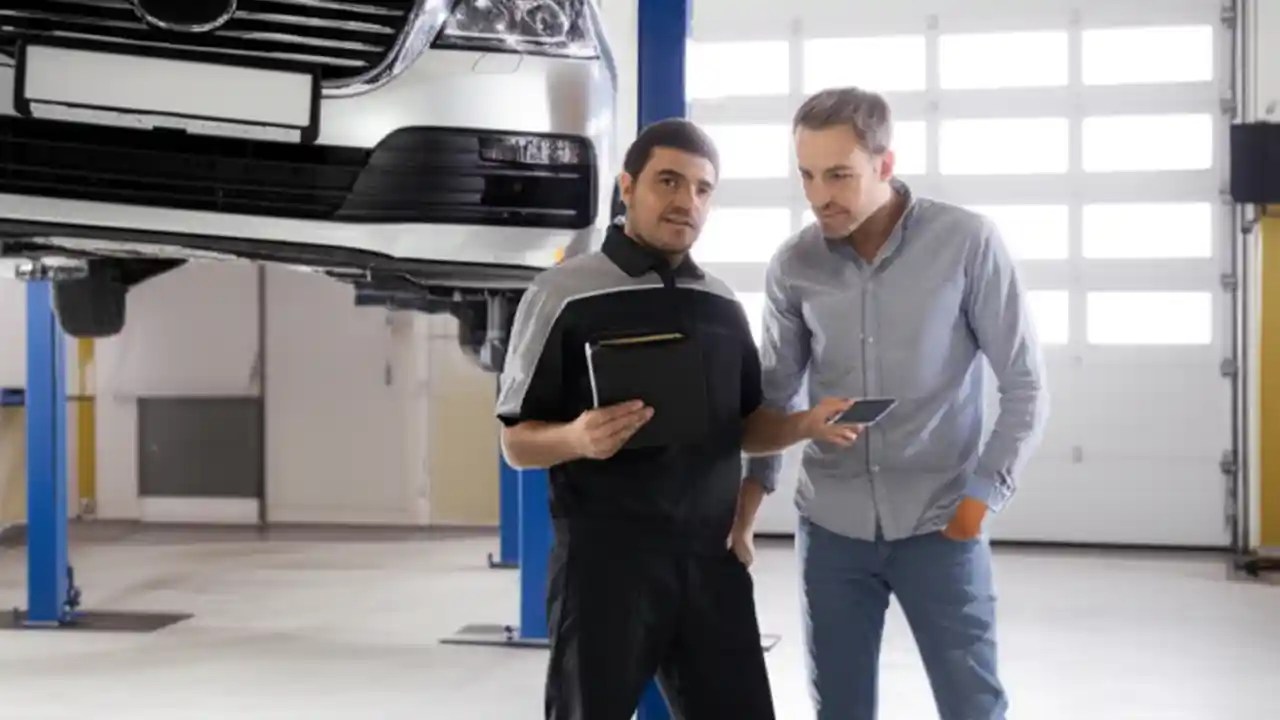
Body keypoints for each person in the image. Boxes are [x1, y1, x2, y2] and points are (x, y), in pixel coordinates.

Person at [495, 118, 855, 720]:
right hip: (606, 566)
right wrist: (576, 437)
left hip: (709, 562)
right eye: (669, 181)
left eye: (703, 189)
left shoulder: (719, 303)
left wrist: (803, 425)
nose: (687, 201)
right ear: (627, 186)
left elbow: (745, 425)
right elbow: (516, 444)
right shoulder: (561, 294)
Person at [741, 87, 1050, 720]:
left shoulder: (966, 243)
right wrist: (747, 510)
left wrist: (979, 500)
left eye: (838, 175)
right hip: (831, 530)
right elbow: (775, 396)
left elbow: (1026, 385)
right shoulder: (793, 266)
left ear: (885, 164)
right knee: (840, 710)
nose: (818, 195)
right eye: (805, 174)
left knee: (972, 705)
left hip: (940, 522)